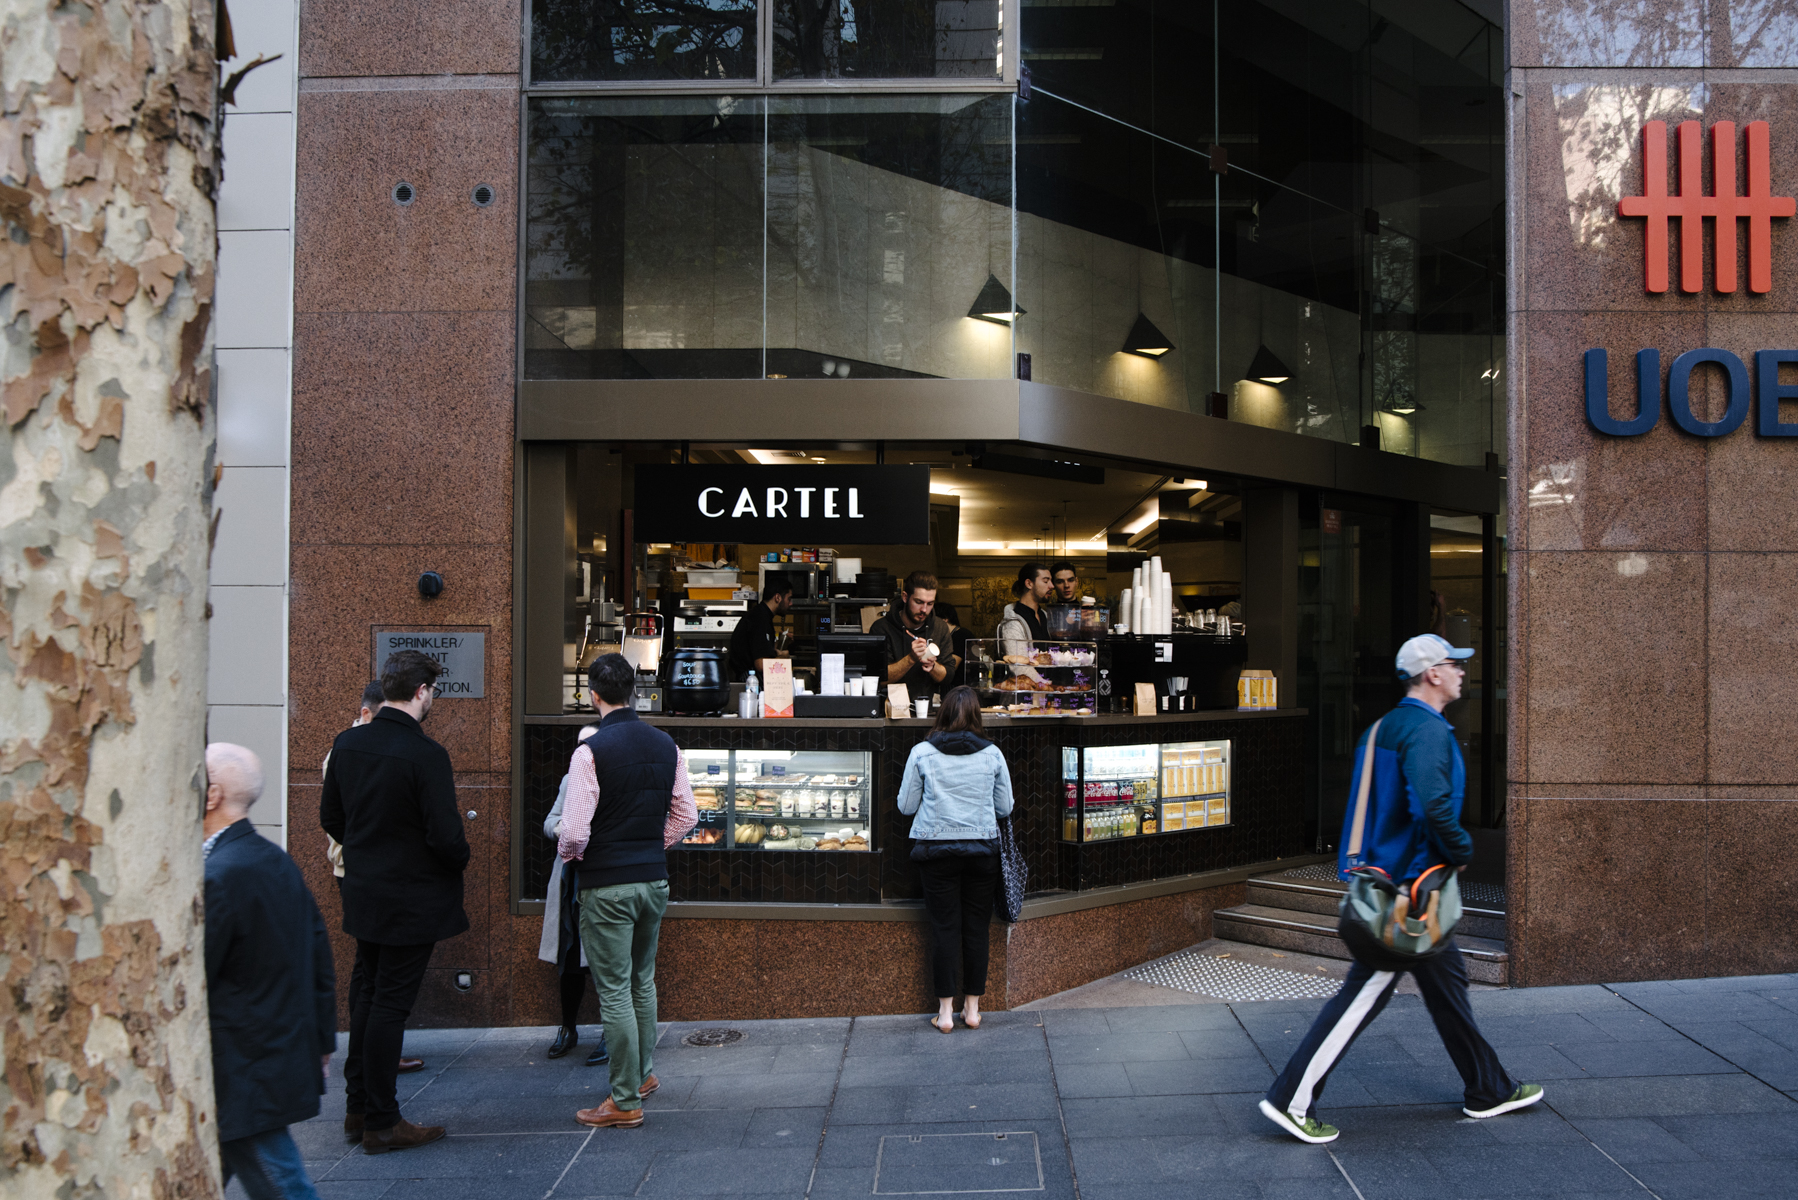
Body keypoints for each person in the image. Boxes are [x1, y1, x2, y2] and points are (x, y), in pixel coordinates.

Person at [1259, 634, 1542, 1145]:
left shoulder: (1382, 727)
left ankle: (1489, 1087)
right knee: (1362, 994)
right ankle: (1290, 1100)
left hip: (1394, 886)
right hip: (1409, 896)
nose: (1461, 671)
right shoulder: (1429, 732)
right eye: (1454, 664)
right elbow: (1432, 810)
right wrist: (1460, 852)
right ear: (1432, 673)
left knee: (1448, 987)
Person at [321, 649, 470, 1153]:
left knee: (367, 989)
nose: (434, 701)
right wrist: (454, 860)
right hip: (412, 897)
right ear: (423, 691)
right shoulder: (426, 755)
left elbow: (331, 818)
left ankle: (357, 1106)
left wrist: (367, 853)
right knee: (389, 1003)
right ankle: (382, 1120)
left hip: (364, 890)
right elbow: (446, 836)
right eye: (434, 693)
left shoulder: (347, 745)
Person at [559, 653, 699, 1129]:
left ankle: (624, 1101)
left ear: (594, 695)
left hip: (607, 884)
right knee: (643, 980)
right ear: (634, 692)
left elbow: (574, 832)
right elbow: (687, 816)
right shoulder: (667, 745)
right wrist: (647, 845)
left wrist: (576, 855)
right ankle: (642, 1076)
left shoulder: (590, 751)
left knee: (615, 990)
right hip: (653, 880)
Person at [203, 743, 336, 1200]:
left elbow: (199, 975)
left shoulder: (217, 874)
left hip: (239, 1068)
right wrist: (321, 1040)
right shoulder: (273, 861)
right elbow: (318, 953)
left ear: (211, 795)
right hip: (263, 1058)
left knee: (283, 1185)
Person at [896, 686, 1015, 1034]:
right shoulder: (993, 754)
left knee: (944, 929)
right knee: (976, 929)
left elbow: (905, 806)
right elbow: (1005, 807)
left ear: (942, 713)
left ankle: (945, 1014)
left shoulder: (922, 753)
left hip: (936, 854)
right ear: (978, 715)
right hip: (982, 852)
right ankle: (973, 1010)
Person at [324, 680, 423, 1076]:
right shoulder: (347, 750)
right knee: (373, 976)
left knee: (373, 974)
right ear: (366, 714)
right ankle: (372, 1059)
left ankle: (372, 1057)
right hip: (359, 871)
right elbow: (333, 818)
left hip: (360, 869)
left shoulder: (355, 748)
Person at [539, 724, 610, 1066]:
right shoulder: (569, 781)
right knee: (569, 958)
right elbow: (550, 821)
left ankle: (611, 1032)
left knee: (604, 962)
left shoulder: (612, 779)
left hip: (602, 878)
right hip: (571, 881)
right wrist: (563, 829)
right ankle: (568, 1027)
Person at [876, 570, 957, 703]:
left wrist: (933, 666)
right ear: (905, 597)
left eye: (930, 604)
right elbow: (880, 678)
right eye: (919, 602)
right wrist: (911, 659)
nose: (924, 610)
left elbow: (948, 676)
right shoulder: (882, 628)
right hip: (889, 710)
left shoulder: (940, 628)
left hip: (928, 709)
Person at [728, 572, 794, 681]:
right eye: (789, 599)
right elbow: (761, 664)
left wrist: (780, 642)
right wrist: (783, 658)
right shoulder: (759, 619)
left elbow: (761, 649)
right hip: (749, 680)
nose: (790, 603)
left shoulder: (761, 615)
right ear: (777, 597)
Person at [997, 561, 1053, 661]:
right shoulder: (1013, 621)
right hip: (1025, 677)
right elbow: (1019, 665)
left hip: (1049, 677)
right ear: (1029, 583)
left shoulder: (1045, 616)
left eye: (1051, 581)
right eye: (1045, 581)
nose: (1051, 586)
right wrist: (1040, 678)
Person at [933, 601, 971, 690]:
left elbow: (951, 666)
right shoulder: (949, 636)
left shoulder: (960, 635)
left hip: (960, 688)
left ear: (945, 619)